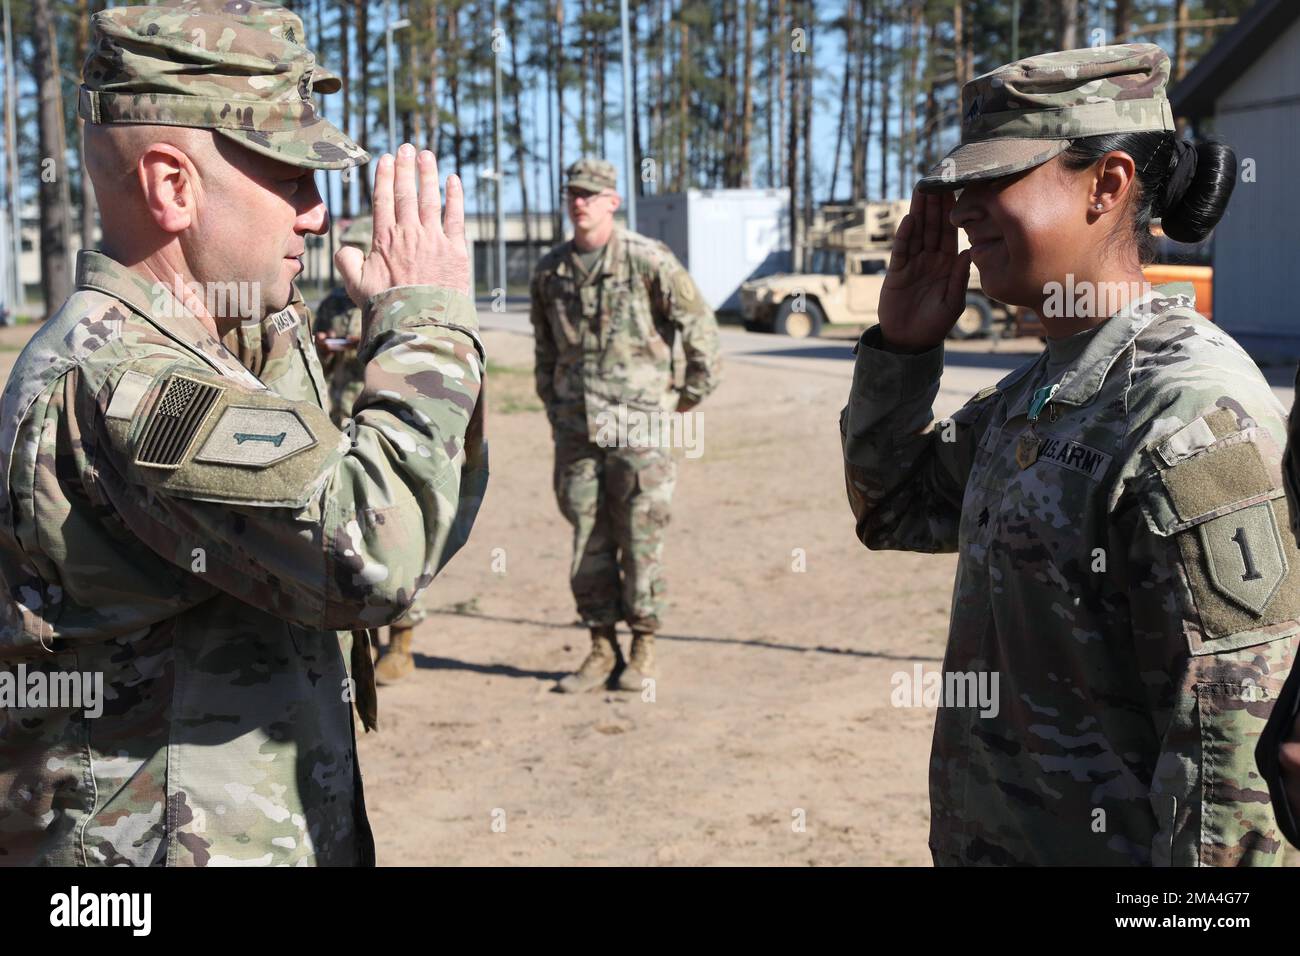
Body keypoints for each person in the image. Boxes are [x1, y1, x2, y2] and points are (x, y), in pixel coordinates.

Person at [0, 0, 486, 866]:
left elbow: (405, 504)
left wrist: (300, 327)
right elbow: (376, 552)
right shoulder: (123, 377)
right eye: (291, 175)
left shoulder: (203, 344)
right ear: (172, 186)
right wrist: (427, 328)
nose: (319, 213)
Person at [840, 43, 1297, 866]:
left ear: (1108, 184)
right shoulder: (1042, 389)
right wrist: (902, 352)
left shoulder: (1187, 416)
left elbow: (1232, 778)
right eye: (960, 186)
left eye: (997, 181)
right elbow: (894, 510)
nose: (966, 210)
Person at [530, 158, 720, 693]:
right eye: (573, 193)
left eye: (591, 194)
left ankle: (643, 643)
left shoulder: (647, 260)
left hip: (638, 427)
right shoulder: (551, 270)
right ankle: (599, 646)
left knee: (641, 536)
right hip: (576, 430)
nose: (580, 202)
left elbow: (698, 326)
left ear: (613, 200)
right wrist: (553, 402)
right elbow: (544, 349)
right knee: (587, 538)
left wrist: (685, 396)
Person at [313, 216, 426, 685]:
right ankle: (370, 641)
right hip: (342, 427)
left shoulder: (398, 302)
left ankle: (403, 640)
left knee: (394, 532)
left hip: (385, 433)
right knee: (349, 539)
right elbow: (314, 363)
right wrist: (326, 346)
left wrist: (373, 338)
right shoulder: (333, 304)